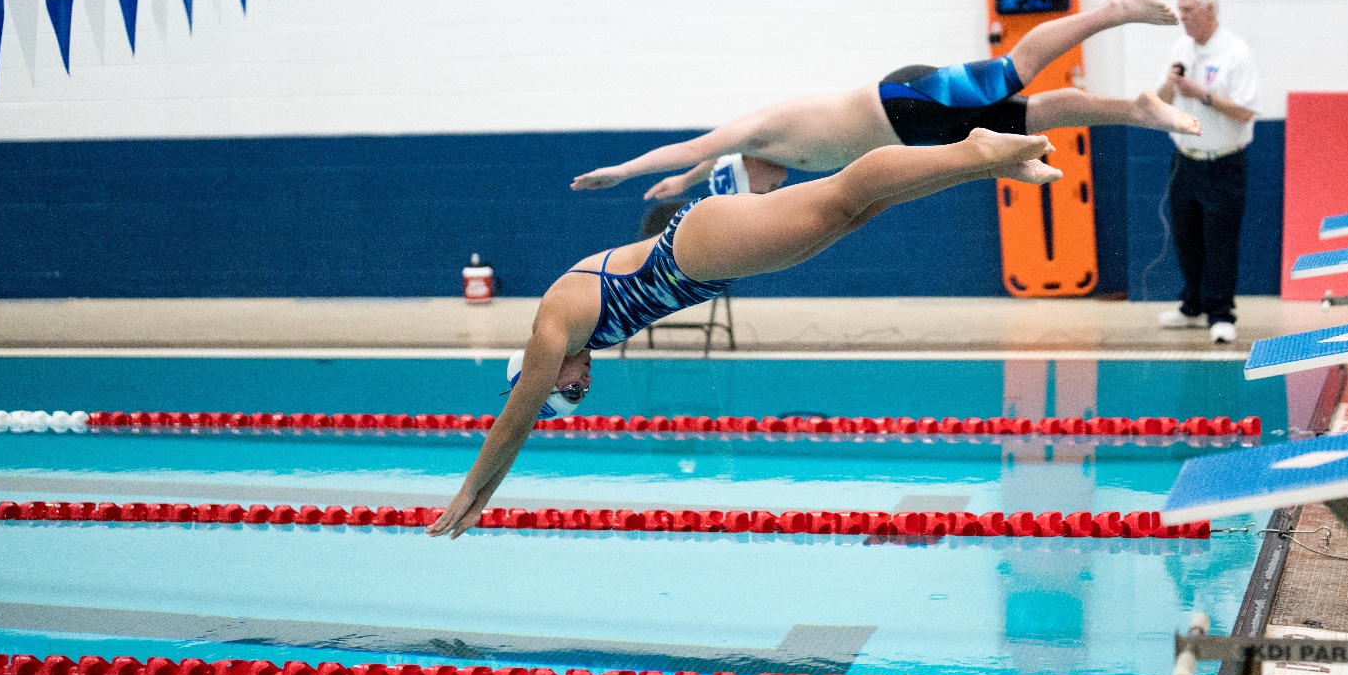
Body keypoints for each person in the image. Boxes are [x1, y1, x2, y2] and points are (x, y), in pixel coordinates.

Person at [432, 129, 1061, 536]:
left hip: (694, 249)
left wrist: (473, 493)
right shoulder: (576, 335)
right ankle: (983, 163)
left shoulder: (551, 327)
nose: (579, 389)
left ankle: (977, 151)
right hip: (705, 262)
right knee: (855, 213)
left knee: (840, 197)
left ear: (538, 374)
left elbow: (514, 421)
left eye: (566, 392)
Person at [570, 0, 1194, 199]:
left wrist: (622, 171)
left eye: (754, 190)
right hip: (916, 127)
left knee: (1015, 70)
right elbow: (706, 161)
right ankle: (1136, 112)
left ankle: (1111, 12)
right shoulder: (767, 157)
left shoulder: (756, 132)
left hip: (904, 100)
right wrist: (685, 185)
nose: (766, 193)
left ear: (746, 169)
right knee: (1034, 113)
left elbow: (694, 146)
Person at [1154, 0, 1258, 344]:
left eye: (1188, 10)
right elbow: (1162, 100)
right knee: (1186, 237)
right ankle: (1192, 304)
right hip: (1185, 159)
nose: (1181, 17)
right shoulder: (1181, 47)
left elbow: (1245, 111)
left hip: (1223, 162)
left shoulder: (1235, 52)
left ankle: (1221, 312)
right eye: (1179, 9)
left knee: (1220, 240)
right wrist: (1169, 85)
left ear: (1210, 10)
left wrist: (1203, 95)